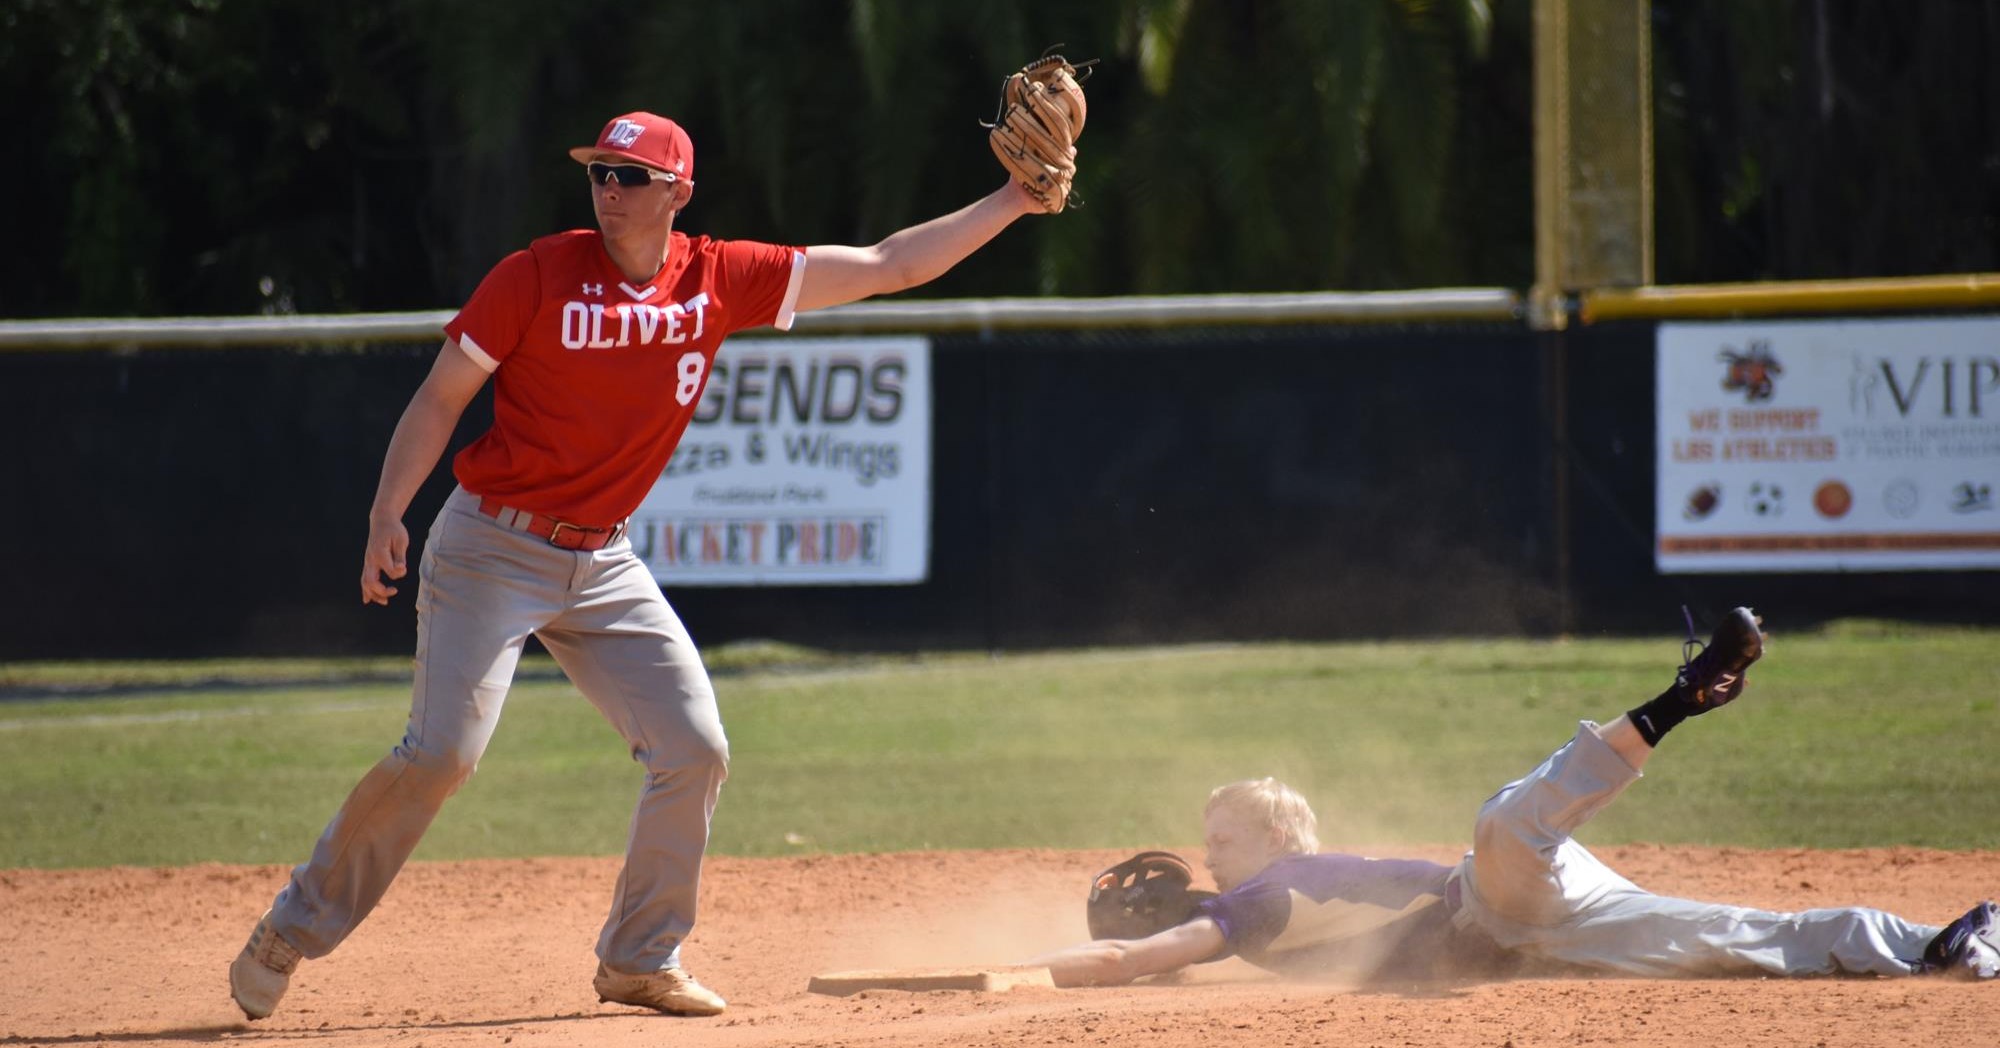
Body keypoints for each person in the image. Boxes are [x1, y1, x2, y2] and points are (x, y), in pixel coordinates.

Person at [229, 110, 1061, 1021]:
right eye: (599, 175)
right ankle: (292, 924)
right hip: (491, 547)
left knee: (696, 748)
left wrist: (1014, 200)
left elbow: (892, 264)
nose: (610, 191)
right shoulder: (536, 275)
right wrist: (389, 510)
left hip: (604, 560)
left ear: (679, 192)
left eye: (630, 176)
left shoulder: (719, 279)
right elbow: (439, 400)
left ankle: (638, 958)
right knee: (441, 756)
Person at [1031, 608, 2000, 986]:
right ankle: (1937, 942)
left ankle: (1682, 695)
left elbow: (1128, 954)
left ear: (1278, 835)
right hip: (1544, 932)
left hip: (1496, 890)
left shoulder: (1266, 892)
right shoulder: (1265, 922)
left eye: (1220, 836)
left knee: (1504, 819)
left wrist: (1045, 967)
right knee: (1736, 938)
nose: (1208, 858)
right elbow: (1184, 945)